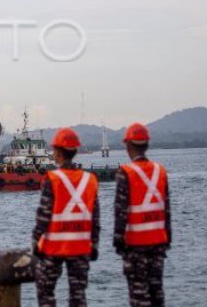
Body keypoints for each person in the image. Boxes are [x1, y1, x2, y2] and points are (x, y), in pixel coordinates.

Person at [32, 127, 100, 307]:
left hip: (53, 248)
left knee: (46, 291)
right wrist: (94, 244)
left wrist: (35, 243)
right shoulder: (90, 180)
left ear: (58, 152)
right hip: (81, 247)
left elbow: (43, 216)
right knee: (78, 296)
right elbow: (95, 219)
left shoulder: (51, 179)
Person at [114, 123, 171, 307]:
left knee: (139, 295)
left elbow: (120, 212)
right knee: (157, 292)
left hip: (135, 246)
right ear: (147, 145)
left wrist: (118, 242)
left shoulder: (126, 172)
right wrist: (166, 240)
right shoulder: (160, 171)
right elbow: (166, 210)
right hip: (158, 244)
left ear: (128, 145)